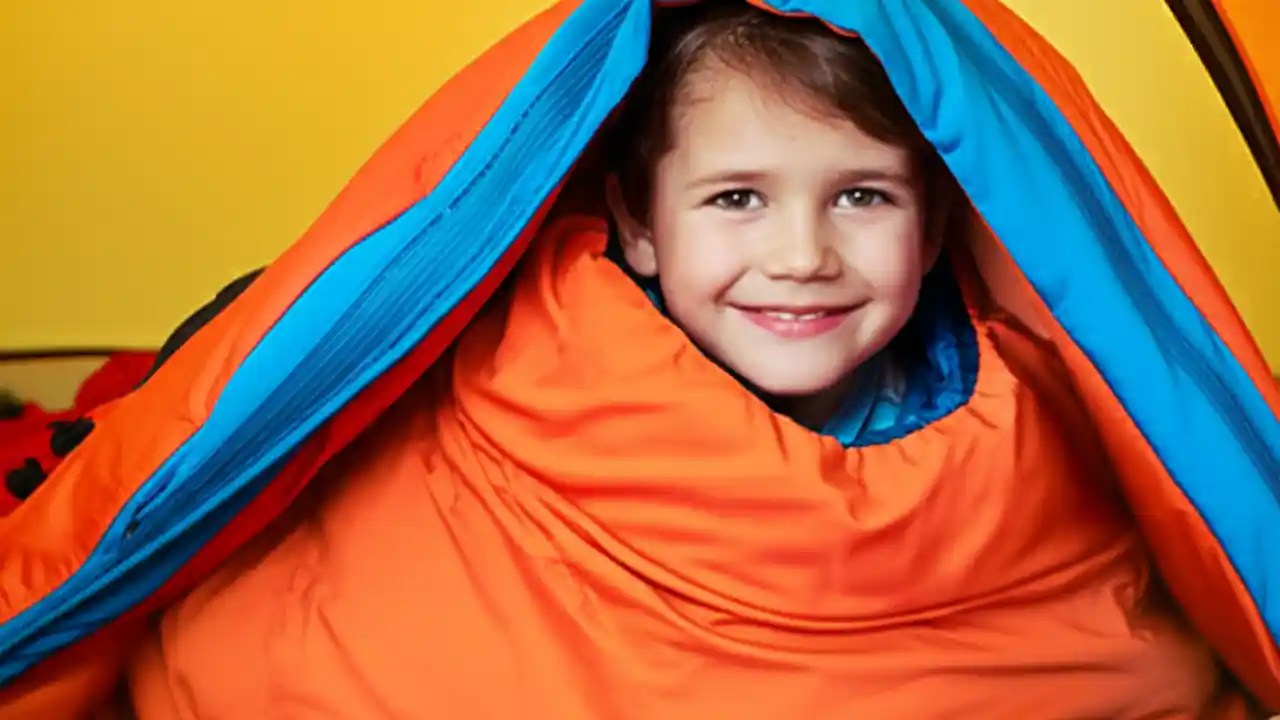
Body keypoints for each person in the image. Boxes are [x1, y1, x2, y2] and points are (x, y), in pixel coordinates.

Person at [85, 2, 1260, 717]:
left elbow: (1114, 657)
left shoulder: (1030, 427)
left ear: (939, 225)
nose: (800, 255)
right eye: (736, 198)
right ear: (639, 226)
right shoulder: (525, 372)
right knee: (240, 337)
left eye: (860, 195)